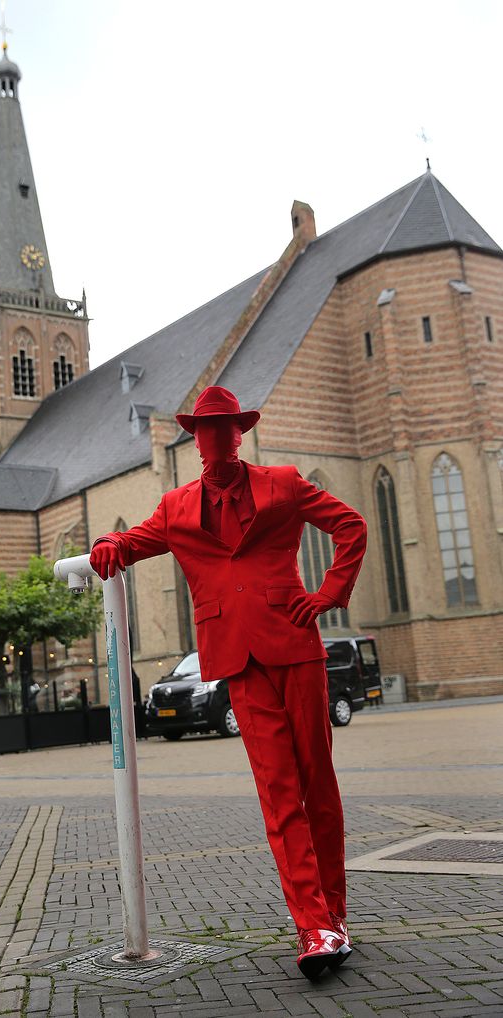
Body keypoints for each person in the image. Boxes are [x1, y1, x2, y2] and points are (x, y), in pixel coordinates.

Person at [90, 385, 367, 980]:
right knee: (278, 793)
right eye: (206, 429)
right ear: (195, 439)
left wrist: (328, 594)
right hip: (235, 659)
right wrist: (109, 543)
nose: (217, 438)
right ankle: (313, 926)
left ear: (240, 433)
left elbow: (351, 526)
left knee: (318, 784)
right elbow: (132, 542)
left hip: (295, 647)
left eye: (226, 428)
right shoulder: (176, 508)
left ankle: (336, 916)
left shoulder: (283, 484)